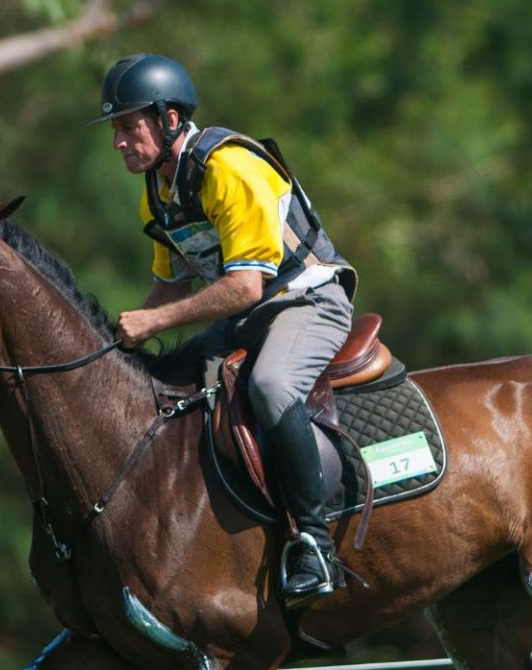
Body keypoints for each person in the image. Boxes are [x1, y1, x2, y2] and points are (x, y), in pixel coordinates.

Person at [92, 53, 358, 608]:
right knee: (160, 383)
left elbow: (245, 287)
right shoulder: (159, 192)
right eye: (114, 129)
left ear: (168, 120)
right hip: (248, 317)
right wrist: (114, 352)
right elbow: (170, 289)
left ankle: (314, 545)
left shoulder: (227, 169)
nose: (118, 141)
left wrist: (153, 322)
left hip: (307, 301)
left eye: (128, 126)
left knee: (270, 386)